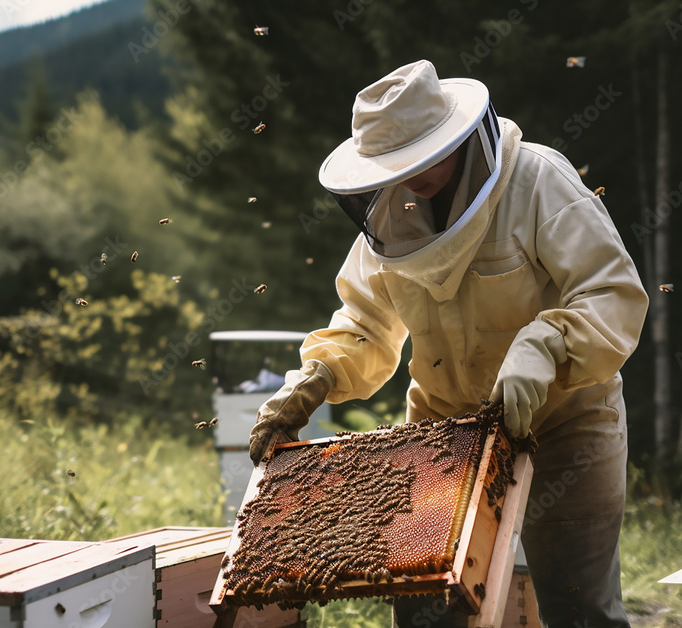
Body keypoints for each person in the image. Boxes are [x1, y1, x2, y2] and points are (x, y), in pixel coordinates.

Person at [248, 60, 648, 627]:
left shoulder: (536, 181)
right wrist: (318, 375)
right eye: (394, 165)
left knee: (581, 609)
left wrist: (547, 344)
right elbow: (364, 323)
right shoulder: (386, 217)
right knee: (424, 613)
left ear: (459, 135)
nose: (410, 176)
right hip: (445, 434)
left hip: (567, 421)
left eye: (421, 155)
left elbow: (612, 293)